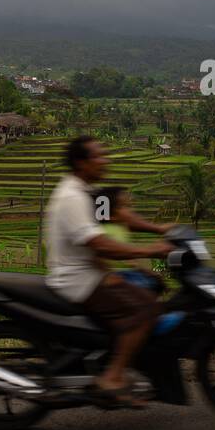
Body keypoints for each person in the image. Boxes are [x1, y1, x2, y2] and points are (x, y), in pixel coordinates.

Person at [45, 136, 174, 407]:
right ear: (82, 163)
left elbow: (118, 215)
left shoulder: (86, 192)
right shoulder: (72, 198)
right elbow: (100, 244)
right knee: (145, 308)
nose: (105, 160)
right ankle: (112, 378)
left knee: (141, 291)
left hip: (91, 273)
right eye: (98, 156)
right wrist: (149, 251)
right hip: (79, 280)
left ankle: (116, 362)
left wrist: (160, 229)